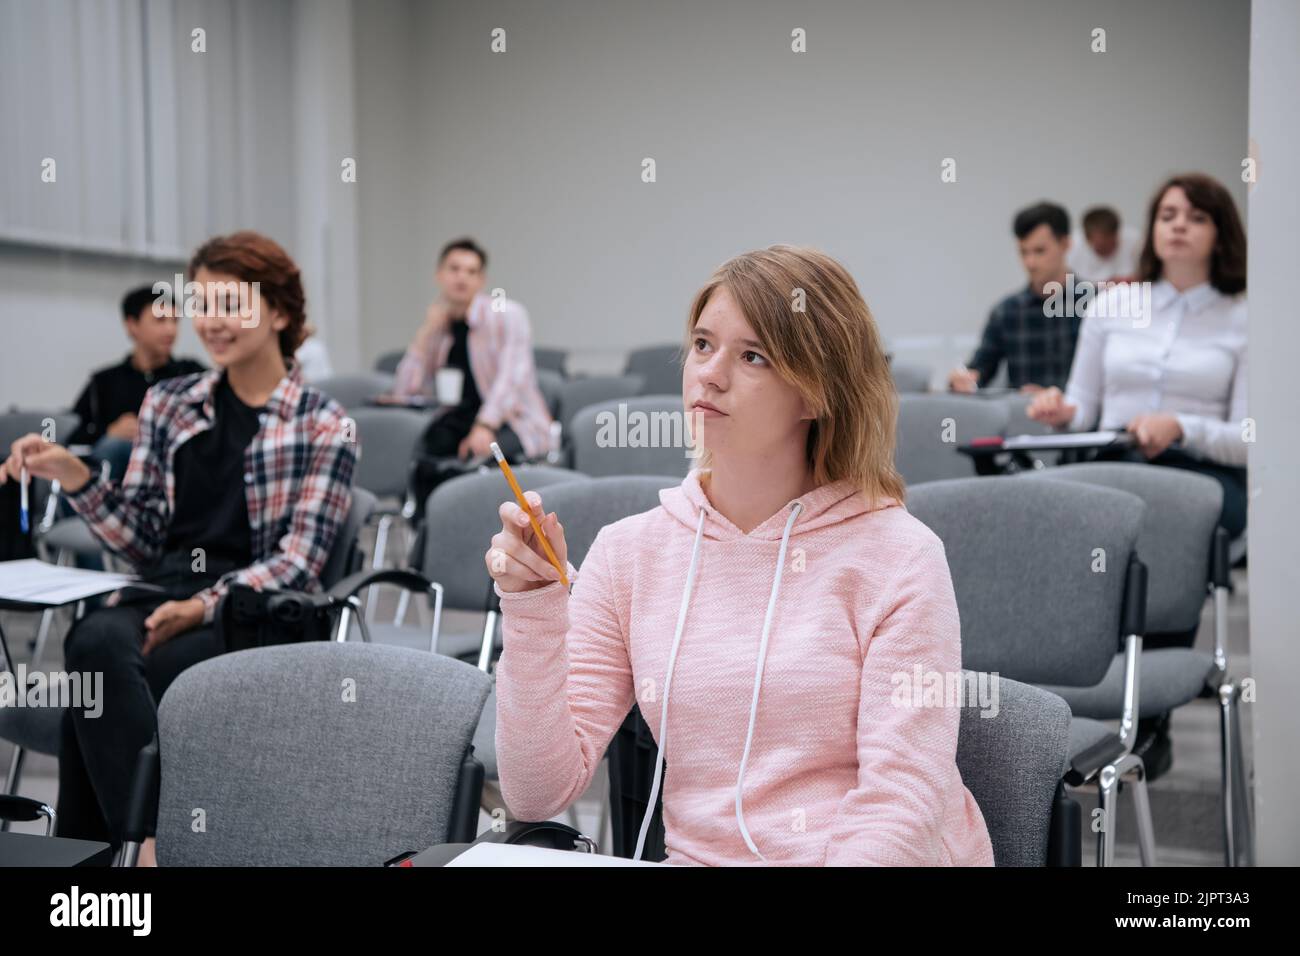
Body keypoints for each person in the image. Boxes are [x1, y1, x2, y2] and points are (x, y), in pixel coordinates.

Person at [485, 245, 994, 866]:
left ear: (815, 394)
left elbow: (900, 807)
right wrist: (534, 607)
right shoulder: (631, 553)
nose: (711, 374)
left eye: (752, 356)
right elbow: (537, 793)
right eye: (702, 345)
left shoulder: (900, 558)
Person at [0, 231, 357, 862]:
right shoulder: (169, 404)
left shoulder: (323, 423)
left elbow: (299, 561)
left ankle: (116, 864)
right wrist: (76, 476)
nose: (210, 322)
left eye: (230, 304)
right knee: (96, 644)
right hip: (164, 588)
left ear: (278, 311)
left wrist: (206, 605)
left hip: (254, 611)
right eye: (202, 305)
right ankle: (149, 853)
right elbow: (140, 540)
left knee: (93, 686)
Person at [1028, 173, 1248, 780]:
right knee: (1063, 512)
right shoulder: (1111, 304)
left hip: (1199, 476)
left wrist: (1182, 426)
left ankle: (1148, 713)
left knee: (1161, 522)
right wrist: (1058, 410)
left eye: (1196, 216)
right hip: (1114, 463)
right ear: (1151, 228)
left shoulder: (1245, 316)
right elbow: (1083, 404)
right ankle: (1064, 702)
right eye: (1168, 213)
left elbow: (1249, 439)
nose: (1178, 224)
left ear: (1219, 233)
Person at [395, 237, 555, 514]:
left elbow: (512, 379)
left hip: (509, 420)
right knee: (420, 461)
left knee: (474, 467)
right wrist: (426, 334)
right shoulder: (440, 327)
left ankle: (474, 537)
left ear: (482, 280)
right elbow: (405, 392)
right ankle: (427, 545)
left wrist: (485, 424)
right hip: (457, 420)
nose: (462, 278)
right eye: (454, 269)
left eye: (471, 272)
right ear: (439, 275)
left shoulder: (506, 315)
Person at [948, 202, 1087, 394]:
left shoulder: (1096, 305)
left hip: (1081, 419)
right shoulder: (1007, 311)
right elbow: (980, 369)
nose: (1030, 262)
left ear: (1065, 244)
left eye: (1039, 251)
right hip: (1021, 418)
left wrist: (1056, 399)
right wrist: (963, 380)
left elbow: (1109, 383)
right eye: (1023, 252)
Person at [68, 286, 205, 479]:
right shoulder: (104, 381)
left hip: (175, 471)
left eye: (175, 321)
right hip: (116, 478)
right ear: (132, 325)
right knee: (114, 447)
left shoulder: (191, 374)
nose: (170, 329)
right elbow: (72, 436)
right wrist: (109, 431)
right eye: (160, 320)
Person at [1068, 206, 1141, 283]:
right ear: (1087, 240)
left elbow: (1149, 275)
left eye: (1111, 244)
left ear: (1117, 235)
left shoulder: (1136, 242)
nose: (1107, 250)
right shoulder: (1072, 245)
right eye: (1101, 246)